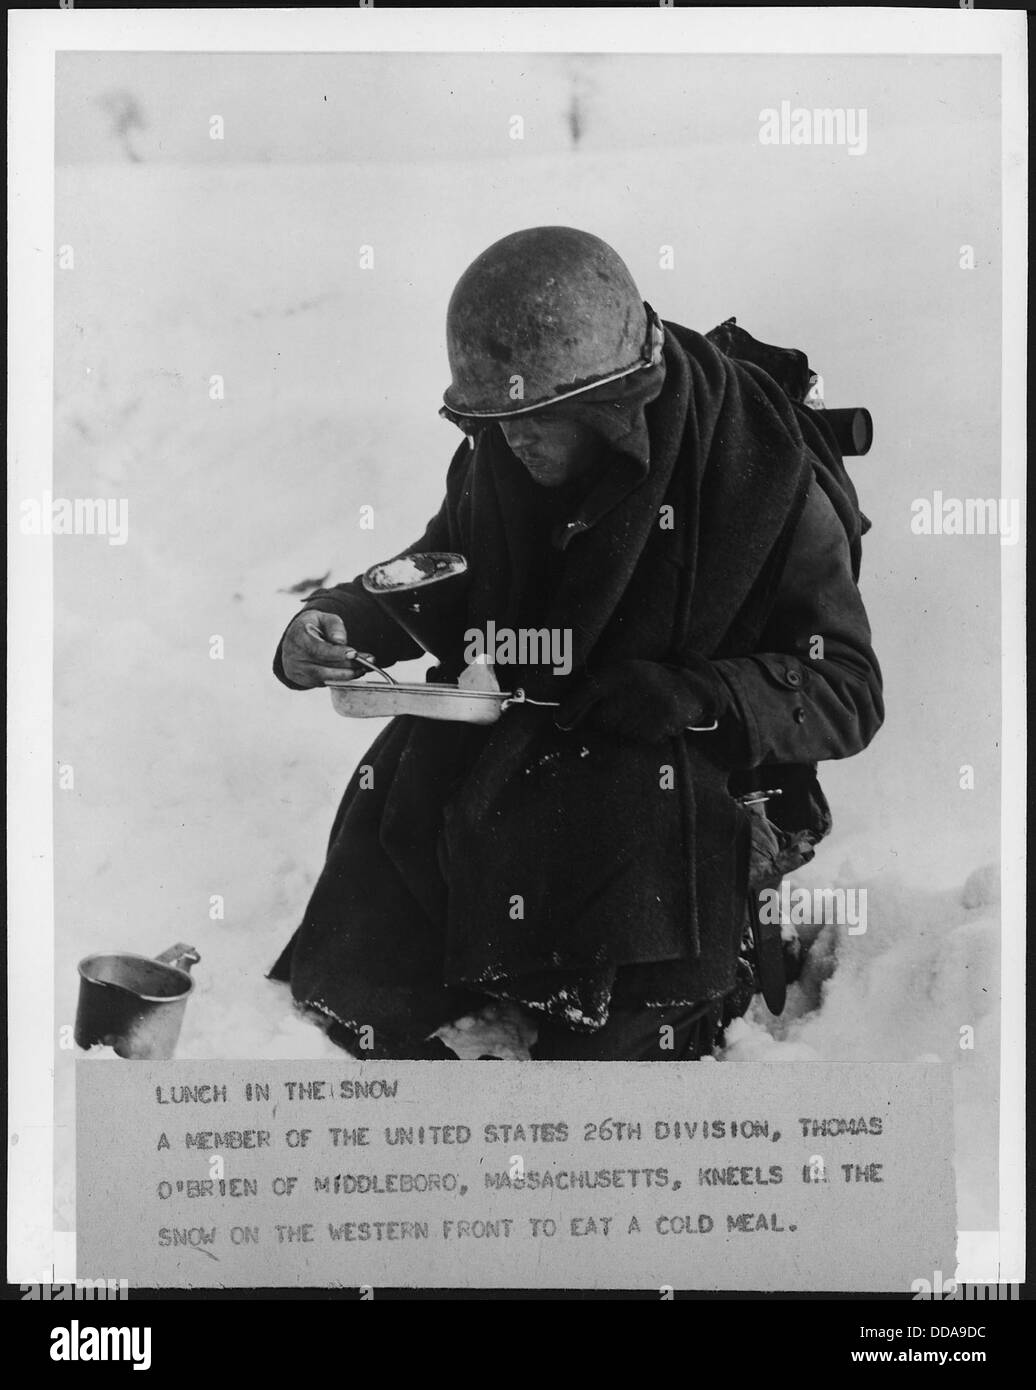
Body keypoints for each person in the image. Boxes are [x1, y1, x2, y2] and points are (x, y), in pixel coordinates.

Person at [269, 226, 883, 1061]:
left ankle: (652, 992)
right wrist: (341, 617)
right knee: (409, 773)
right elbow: (443, 571)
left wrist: (696, 694)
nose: (512, 442)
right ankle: (477, 992)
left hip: (702, 771)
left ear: (614, 407)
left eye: (538, 422)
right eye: (494, 421)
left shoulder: (762, 478)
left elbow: (846, 690)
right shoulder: (502, 456)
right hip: (552, 737)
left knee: (618, 1025)